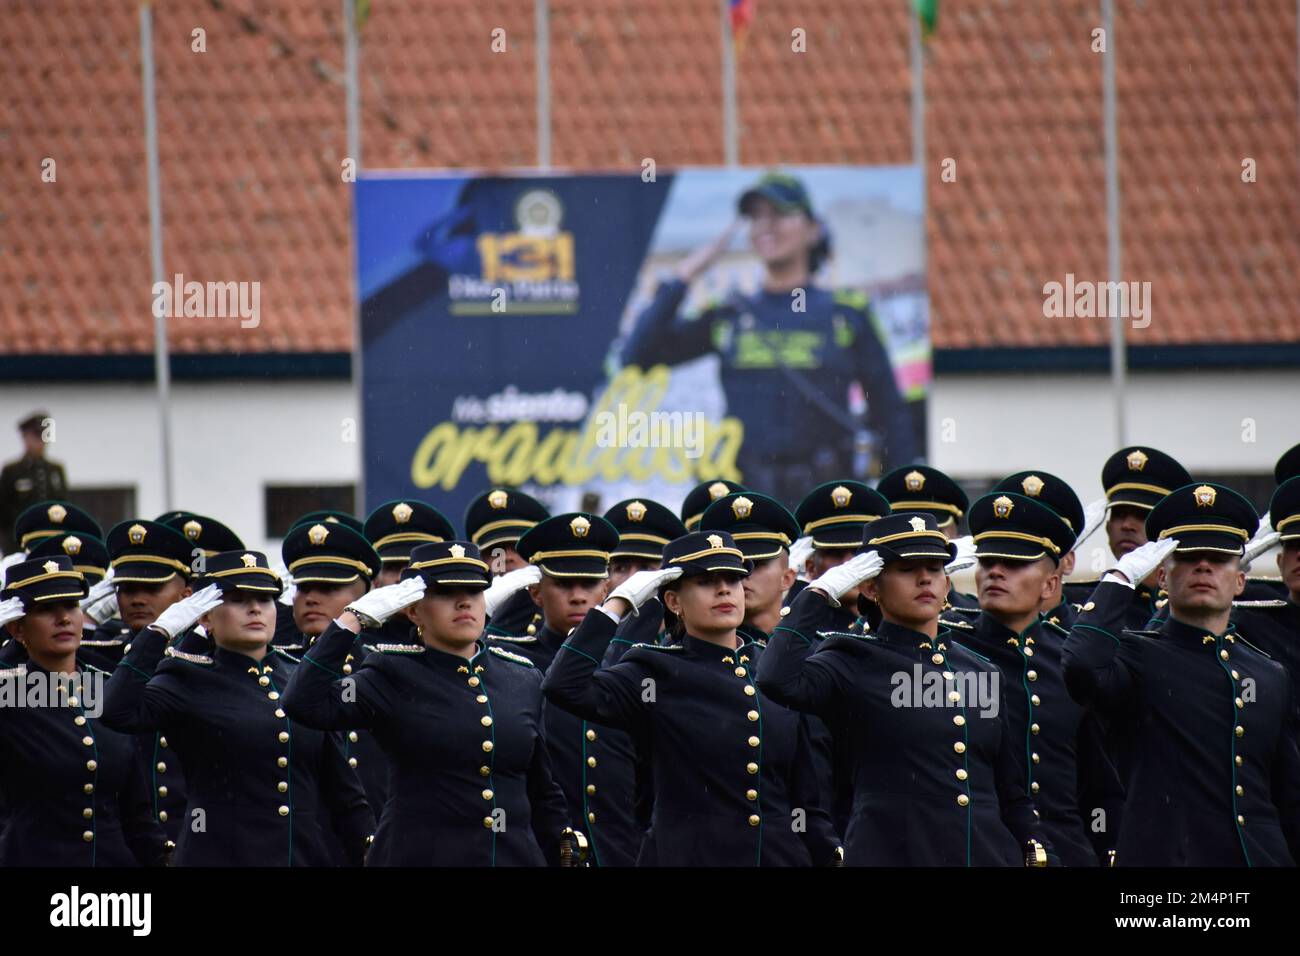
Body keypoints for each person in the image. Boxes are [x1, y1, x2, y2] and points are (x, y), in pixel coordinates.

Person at [756, 515, 1052, 866]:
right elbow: (776, 677)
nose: (925, 578)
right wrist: (820, 592)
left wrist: (1038, 851)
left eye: (935, 567)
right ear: (871, 587)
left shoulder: (980, 669)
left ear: (946, 583)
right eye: (907, 568)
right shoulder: (850, 661)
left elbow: (1010, 792)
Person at [542, 530, 842, 866]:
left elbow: (804, 801)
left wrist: (830, 855)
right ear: (673, 602)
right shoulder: (654, 671)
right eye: (705, 581)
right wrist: (617, 605)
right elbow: (564, 685)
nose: (724, 589)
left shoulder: (770, 670)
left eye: (733, 579)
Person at [620, 172, 917, 506]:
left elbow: (890, 412)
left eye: (779, 214)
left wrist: (900, 502)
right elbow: (636, 356)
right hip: (749, 506)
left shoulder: (845, 313)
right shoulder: (731, 314)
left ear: (813, 228)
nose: (766, 226)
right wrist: (685, 274)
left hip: (828, 505)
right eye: (756, 217)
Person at [282, 541, 581, 866]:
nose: (463, 602)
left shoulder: (522, 677)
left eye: (473, 591)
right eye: (445, 593)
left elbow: (541, 790)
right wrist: (351, 621)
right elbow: (304, 702)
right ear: (413, 610)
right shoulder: (390, 673)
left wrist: (561, 853)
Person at [1062, 483, 1300, 865]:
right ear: (1160, 577)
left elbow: (1288, 797)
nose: (1203, 566)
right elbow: (1081, 667)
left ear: (1240, 581)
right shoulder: (1136, 656)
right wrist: (1119, 580)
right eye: (1187, 557)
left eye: (1218, 558)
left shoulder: (1269, 673)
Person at [99, 551, 374, 866]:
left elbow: (343, 791)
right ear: (205, 617)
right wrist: (158, 634)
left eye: (264, 599)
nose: (255, 608)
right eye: (237, 599)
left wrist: (370, 848)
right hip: (219, 854)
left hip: (301, 856)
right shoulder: (186, 676)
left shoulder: (297, 678)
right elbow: (115, 711)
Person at [940, 491, 1123, 865]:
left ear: (1051, 585)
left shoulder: (1071, 661)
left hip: (1068, 853)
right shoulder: (948, 656)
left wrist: (1108, 853)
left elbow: (1099, 788)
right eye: (988, 561)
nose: (995, 571)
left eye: (1013, 563)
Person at [486, 513, 644, 867]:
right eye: (564, 584)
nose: (577, 596)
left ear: (606, 589)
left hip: (622, 850)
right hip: (538, 850)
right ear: (536, 593)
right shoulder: (508, 662)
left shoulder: (630, 663)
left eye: (588, 583)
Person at [0, 555, 167, 866]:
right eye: (46, 609)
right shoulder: (9, 694)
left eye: (71, 606)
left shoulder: (107, 688)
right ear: (17, 628)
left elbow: (137, 816)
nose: (64, 618)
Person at [1062, 446, 1192, 630]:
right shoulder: (1080, 601)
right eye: (1119, 514)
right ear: (1107, 527)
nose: (1126, 525)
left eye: (1142, 515)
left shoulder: (1197, 597)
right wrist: (1057, 552)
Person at [986, 470, 1093, 630]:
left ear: (1069, 561)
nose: (999, 570)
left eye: (1038, 549)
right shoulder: (963, 637)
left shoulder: (1087, 633)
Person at [792, 479, 891, 632]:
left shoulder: (901, 621)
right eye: (835, 554)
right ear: (811, 567)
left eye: (859, 552)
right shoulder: (799, 629)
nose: (848, 563)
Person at [877, 465, 977, 610]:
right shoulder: (869, 617)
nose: (919, 540)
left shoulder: (975, 612)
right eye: (905, 531)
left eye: (933, 531)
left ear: (956, 534)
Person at [464, 487, 549, 638]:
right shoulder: (460, 608)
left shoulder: (555, 608)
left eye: (518, 548)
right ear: (481, 560)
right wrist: (481, 609)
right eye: (496, 550)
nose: (507, 557)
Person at [0, 412, 69, 554]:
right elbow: (4, 513)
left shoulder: (55, 470)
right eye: (36, 437)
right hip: (19, 544)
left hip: (51, 542)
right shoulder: (12, 471)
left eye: (44, 438)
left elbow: (64, 506)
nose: (41, 443)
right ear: (25, 438)